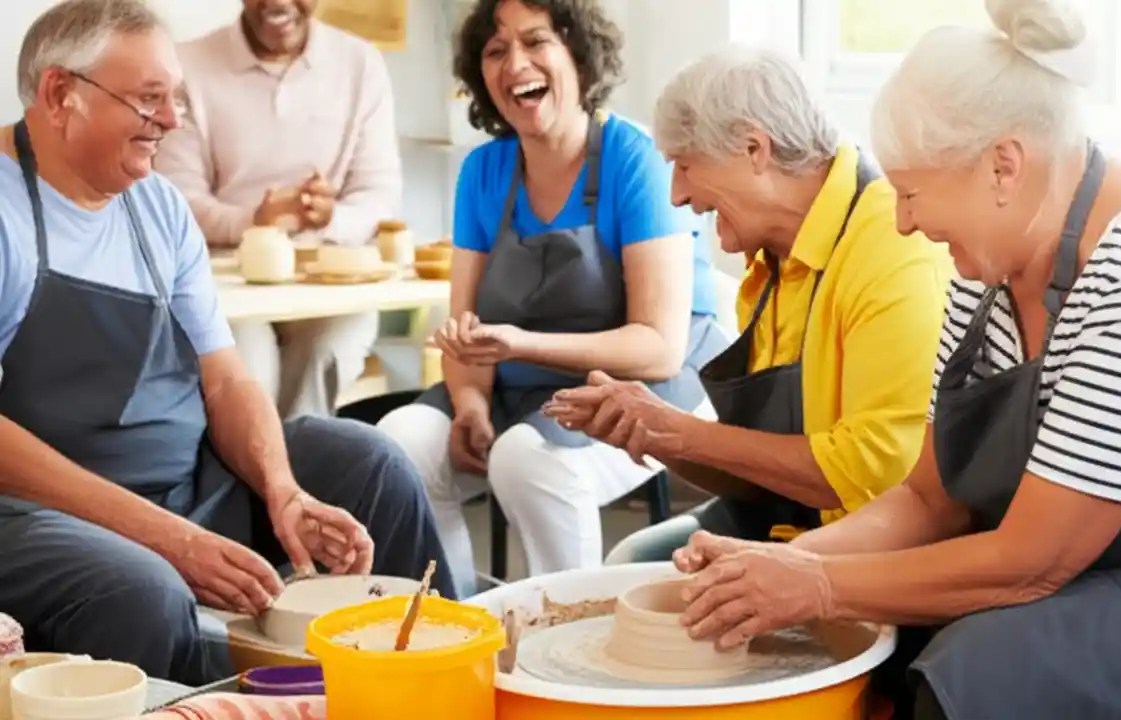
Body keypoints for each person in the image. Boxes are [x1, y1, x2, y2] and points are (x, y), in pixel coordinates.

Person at [667, 2, 1121, 718]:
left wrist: (819, 585)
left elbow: (1031, 564)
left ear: (1002, 167)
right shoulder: (988, 267)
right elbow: (930, 500)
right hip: (1088, 557)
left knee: (975, 675)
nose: (902, 222)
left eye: (911, 193)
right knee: (875, 640)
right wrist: (780, 564)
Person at [0, 0, 453, 686]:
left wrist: (283, 491)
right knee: (145, 590)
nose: (173, 121)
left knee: (371, 465)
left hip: (186, 484)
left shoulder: (157, 205)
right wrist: (168, 538)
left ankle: (435, 684)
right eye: (149, 99)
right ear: (62, 94)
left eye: (175, 98)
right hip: (39, 512)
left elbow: (226, 379)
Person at [543, 47, 953, 562]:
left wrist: (678, 430)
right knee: (632, 562)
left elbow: (874, 477)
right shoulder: (769, 264)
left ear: (754, 149)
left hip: (873, 549)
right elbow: (758, 471)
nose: (677, 196)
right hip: (786, 520)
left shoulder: (895, 249)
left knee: (648, 578)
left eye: (685, 165)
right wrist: (655, 433)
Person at [376, 0, 726, 597]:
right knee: (399, 442)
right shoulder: (483, 171)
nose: (515, 63)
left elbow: (659, 348)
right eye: (496, 50)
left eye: (536, 41)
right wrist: (470, 403)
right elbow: (465, 330)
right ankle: (456, 620)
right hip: (518, 392)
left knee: (525, 459)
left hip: (646, 386)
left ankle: (570, 625)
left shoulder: (633, 158)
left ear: (579, 57)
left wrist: (520, 344)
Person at [154, 0, 400, 419]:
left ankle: (296, 457)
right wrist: (254, 223)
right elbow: (176, 202)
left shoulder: (361, 64)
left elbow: (380, 194)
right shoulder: (187, 66)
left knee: (327, 351)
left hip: (330, 282)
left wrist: (332, 217)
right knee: (248, 371)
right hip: (227, 283)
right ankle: (264, 458)